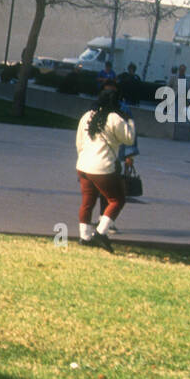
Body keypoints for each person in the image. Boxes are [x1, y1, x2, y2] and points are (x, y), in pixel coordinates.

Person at [75, 85, 136, 253]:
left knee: (87, 202)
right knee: (117, 200)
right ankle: (101, 233)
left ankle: (84, 237)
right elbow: (129, 139)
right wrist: (129, 120)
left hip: (83, 165)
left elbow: (79, 143)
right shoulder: (115, 118)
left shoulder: (87, 116)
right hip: (102, 167)